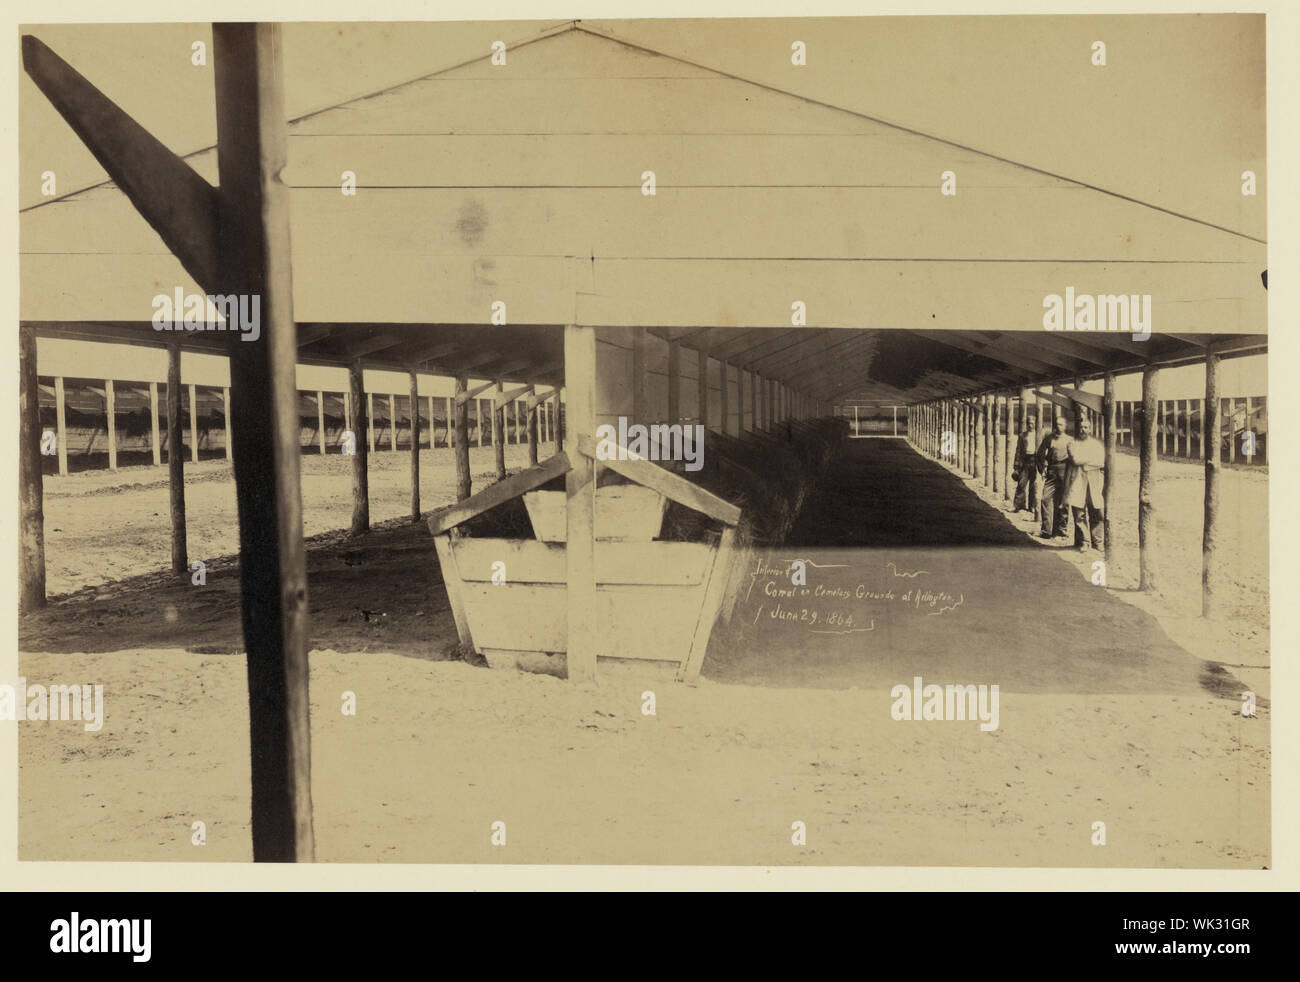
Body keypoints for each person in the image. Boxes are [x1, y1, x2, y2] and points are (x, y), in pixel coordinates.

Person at [1066, 414, 1105, 551]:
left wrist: (1086, 463)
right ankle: (1085, 541)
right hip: (1078, 481)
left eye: (1086, 427)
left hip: (1094, 482)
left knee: (1097, 511)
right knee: (1079, 513)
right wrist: (1091, 460)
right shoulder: (1072, 443)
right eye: (1081, 427)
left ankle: (1097, 540)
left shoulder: (1096, 445)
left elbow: (1101, 462)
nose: (1083, 429)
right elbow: (1076, 459)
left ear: (1090, 429)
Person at [1035, 413, 1072, 539]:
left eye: (1061, 424)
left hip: (1065, 471)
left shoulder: (1069, 440)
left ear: (1065, 426)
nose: (1058, 426)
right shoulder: (1049, 438)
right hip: (1051, 470)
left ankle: (1061, 530)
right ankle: (1046, 530)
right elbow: (1040, 453)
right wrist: (1042, 469)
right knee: (1045, 498)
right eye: (1057, 424)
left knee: (1063, 502)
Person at [1011, 413, 1039, 517]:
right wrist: (1016, 466)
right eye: (1029, 423)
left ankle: (1031, 506)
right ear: (1027, 424)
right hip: (1025, 460)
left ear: (1036, 424)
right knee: (1021, 483)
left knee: (1033, 485)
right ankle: (1017, 505)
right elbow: (1018, 451)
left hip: (1035, 461)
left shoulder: (1039, 434)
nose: (1031, 425)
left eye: (1032, 423)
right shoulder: (1023, 435)